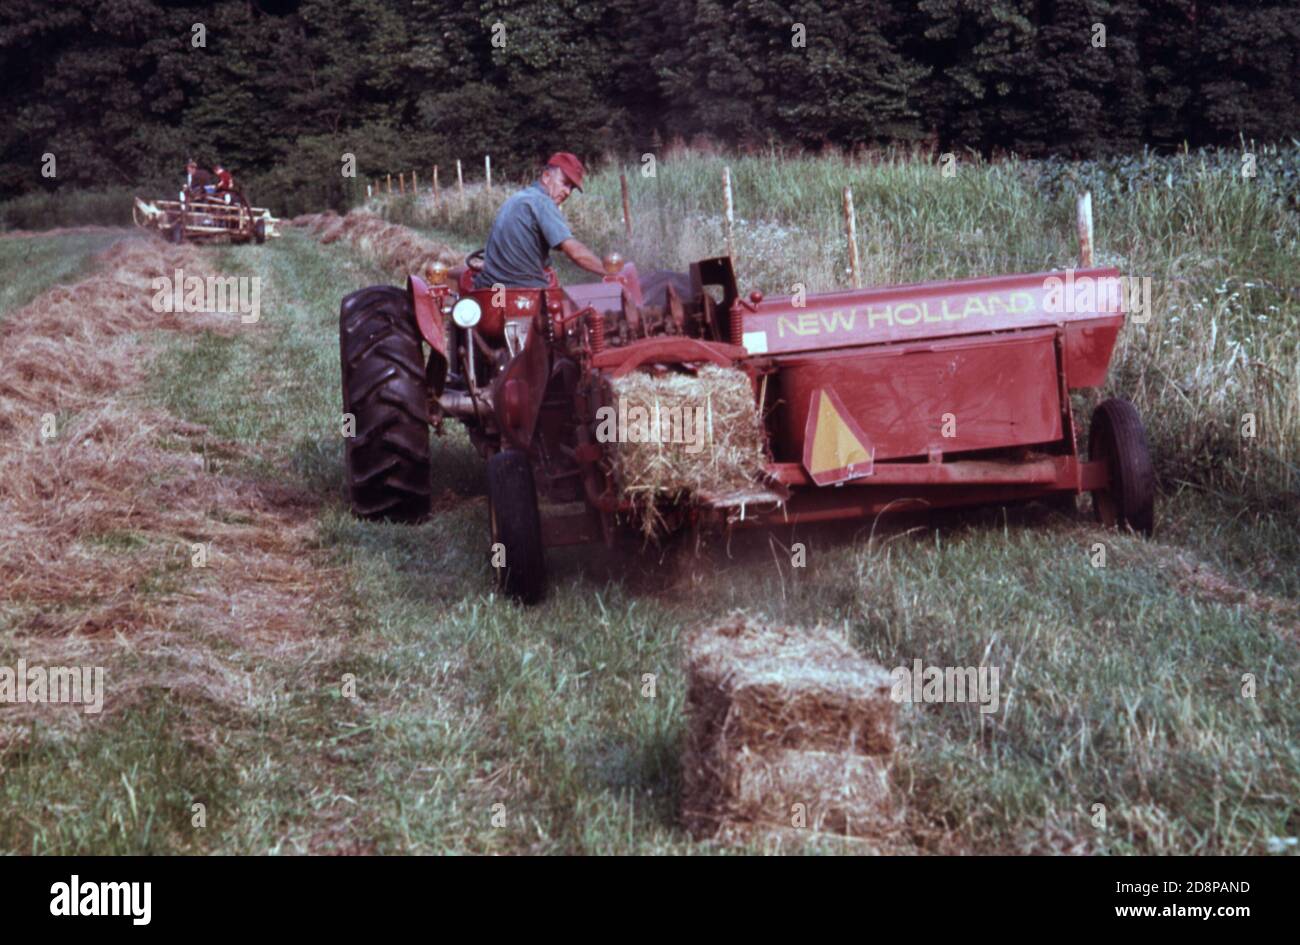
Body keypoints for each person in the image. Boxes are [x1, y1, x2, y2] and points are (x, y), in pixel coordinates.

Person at [472, 152, 608, 289]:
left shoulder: (516, 199)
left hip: (490, 289)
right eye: (565, 183)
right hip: (522, 292)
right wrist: (610, 272)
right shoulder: (542, 202)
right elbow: (576, 253)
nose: (567, 192)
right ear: (546, 176)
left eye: (571, 188)